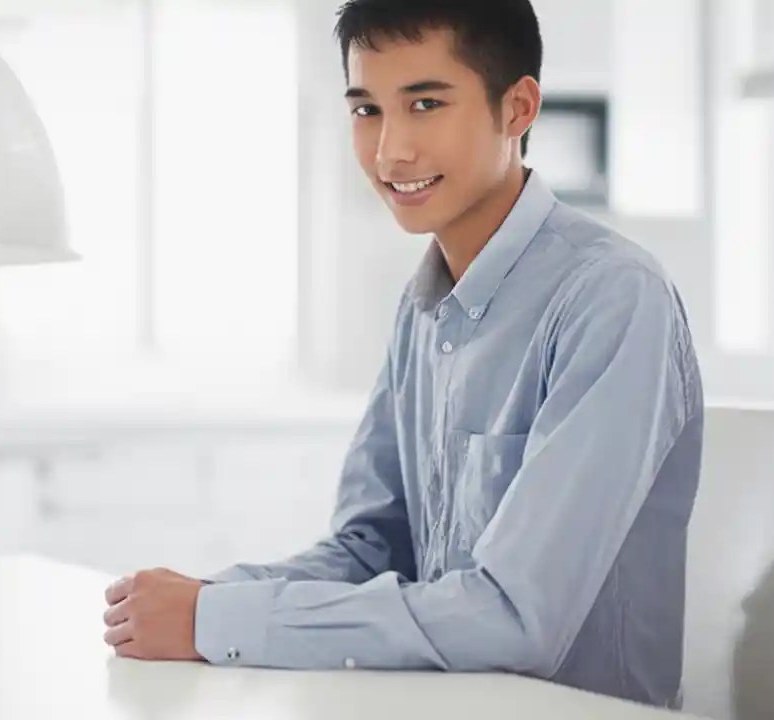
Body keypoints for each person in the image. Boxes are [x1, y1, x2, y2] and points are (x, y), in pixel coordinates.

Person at [102, 0, 703, 707]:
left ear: (517, 108)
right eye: (366, 111)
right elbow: (370, 551)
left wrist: (216, 620)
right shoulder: (423, 308)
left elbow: (515, 618)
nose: (390, 151)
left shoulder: (612, 297)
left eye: (425, 103)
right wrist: (208, 597)